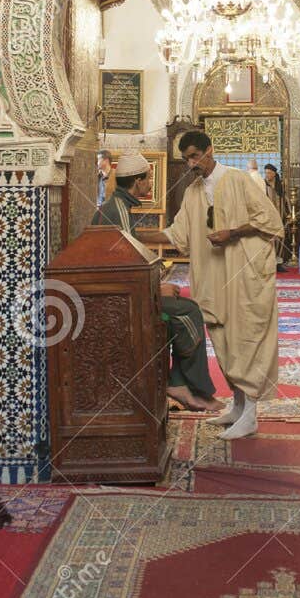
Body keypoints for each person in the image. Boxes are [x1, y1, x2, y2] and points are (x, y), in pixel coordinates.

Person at [164, 129, 283, 440]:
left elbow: (270, 221)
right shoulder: (192, 193)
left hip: (245, 275)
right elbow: (177, 235)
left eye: (195, 156)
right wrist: (127, 236)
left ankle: (252, 414)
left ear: (210, 150)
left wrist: (232, 233)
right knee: (224, 338)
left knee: (247, 337)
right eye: (186, 159)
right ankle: (239, 406)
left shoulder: (238, 179)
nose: (191, 163)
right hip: (214, 278)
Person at [93, 151, 224, 413]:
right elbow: (121, 270)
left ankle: (181, 383)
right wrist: (156, 290)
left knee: (186, 308)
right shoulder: (117, 212)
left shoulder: (121, 207)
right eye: (149, 178)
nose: (151, 184)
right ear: (138, 181)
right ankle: (183, 386)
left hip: (126, 293)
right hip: (118, 301)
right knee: (189, 313)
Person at [262, 162, 289, 265]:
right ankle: (271, 263)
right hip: (269, 219)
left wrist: (289, 214)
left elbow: (286, 200)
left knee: (280, 240)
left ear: (274, 174)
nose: (267, 175)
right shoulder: (264, 185)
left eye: (269, 173)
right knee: (270, 240)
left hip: (280, 217)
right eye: (266, 173)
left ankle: (279, 263)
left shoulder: (280, 186)